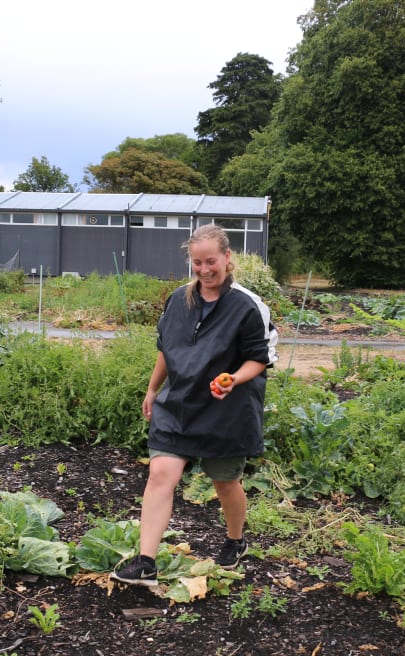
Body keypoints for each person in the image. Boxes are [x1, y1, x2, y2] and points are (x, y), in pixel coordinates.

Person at [111, 224, 278, 587]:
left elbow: (259, 359)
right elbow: (165, 350)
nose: (205, 270)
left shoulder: (248, 306)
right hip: (180, 403)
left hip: (226, 410)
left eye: (211, 261)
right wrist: (153, 389)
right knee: (160, 476)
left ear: (227, 258)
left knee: (225, 482)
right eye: (198, 262)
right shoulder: (178, 300)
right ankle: (145, 562)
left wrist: (233, 378)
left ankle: (236, 541)